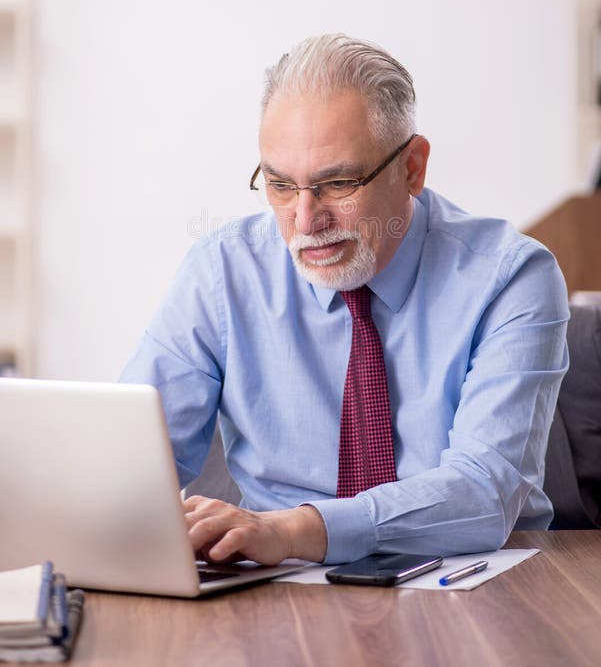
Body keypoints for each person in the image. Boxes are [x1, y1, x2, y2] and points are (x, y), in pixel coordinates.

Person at [120, 33, 569, 566]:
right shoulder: (223, 272)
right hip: (275, 584)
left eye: (337, 184)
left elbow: (483, 492)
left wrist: (292, 530)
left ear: (413, 168)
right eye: (281, 185)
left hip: (476, 578)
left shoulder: (511, 277)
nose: (305, 223)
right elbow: (130, 465)